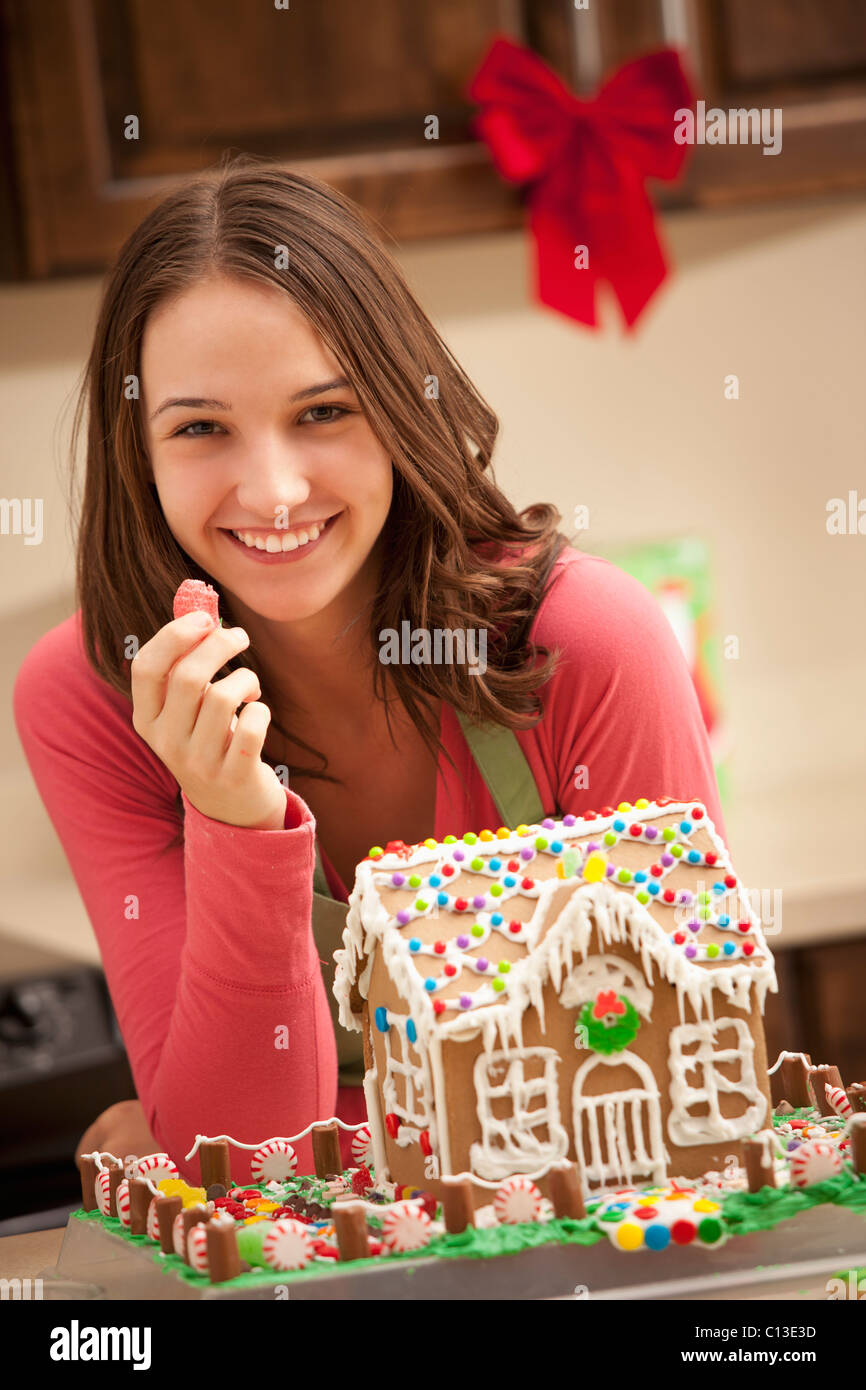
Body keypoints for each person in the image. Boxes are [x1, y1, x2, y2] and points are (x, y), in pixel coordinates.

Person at [13, 157, 724, 1183]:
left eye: (323, 412)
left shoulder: (586, 643)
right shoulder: (90, 698)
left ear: (398, 406)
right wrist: (233, 817)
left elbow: (673, 1093)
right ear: (139, 452)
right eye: (201, 428)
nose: (273, 490)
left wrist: (227, 1136)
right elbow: (244, 1163)